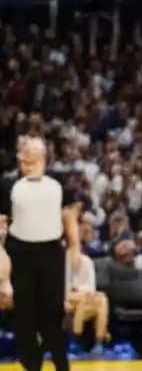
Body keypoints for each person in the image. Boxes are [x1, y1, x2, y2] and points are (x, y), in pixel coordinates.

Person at [0, 137, 80, 371]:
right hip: (20, 252)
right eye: (23, 161)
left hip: (51, 253)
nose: (26, 166)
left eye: (31, 161)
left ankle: (61, 364)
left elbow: (69, 213)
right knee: (23, 317)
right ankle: (32, 366)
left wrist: (75, 244)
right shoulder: (8, 184)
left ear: (43, 160)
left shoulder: (57, 182)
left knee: (52, 316)